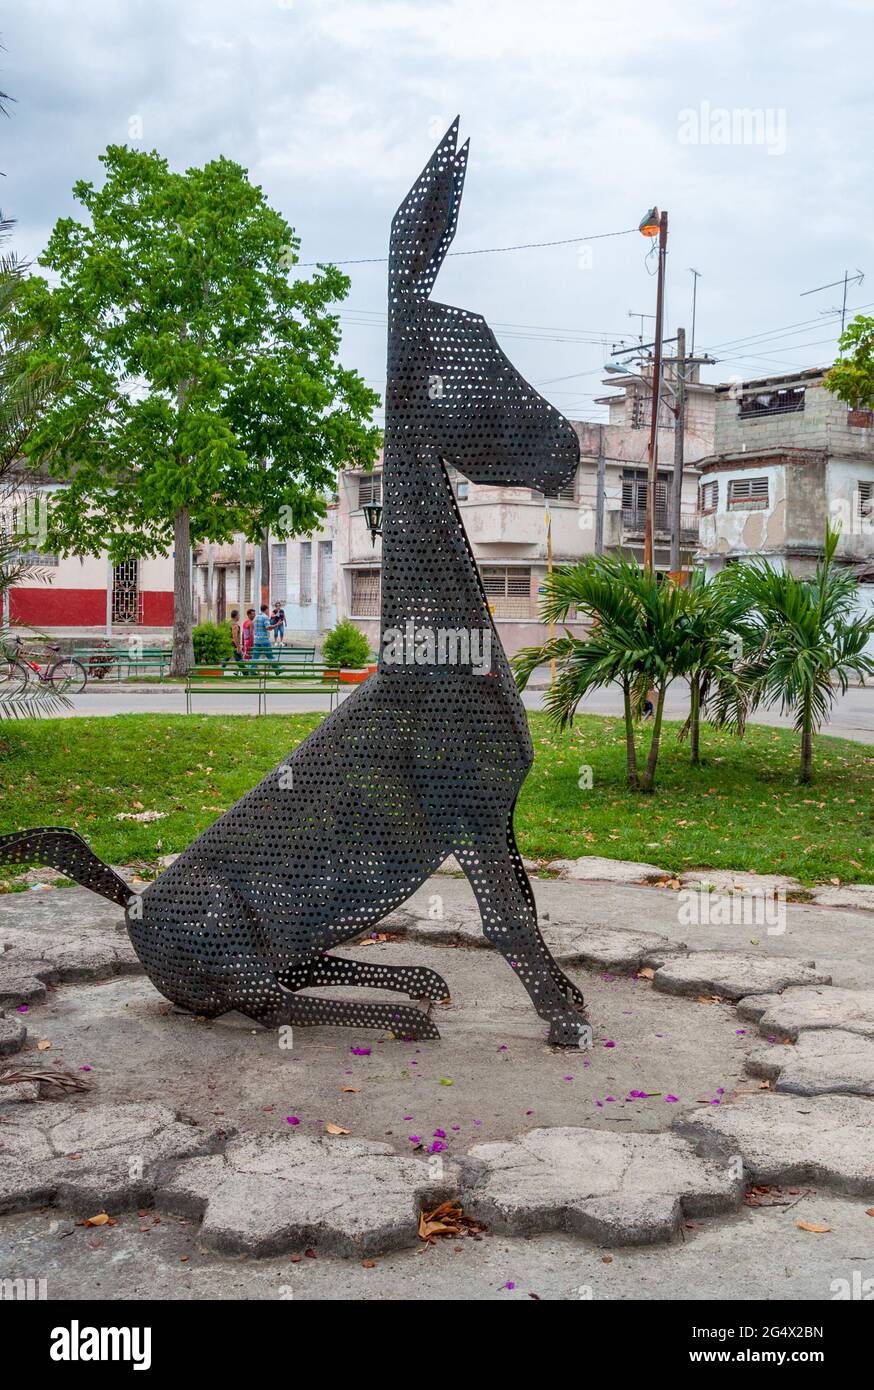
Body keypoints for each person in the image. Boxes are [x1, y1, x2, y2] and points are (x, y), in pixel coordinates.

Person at [227, 608, 246, 673]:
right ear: (236, 616)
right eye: (239, 615)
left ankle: (219, 670)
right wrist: (238, 647)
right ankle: (246, 673)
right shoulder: (235, 625)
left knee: (225, 659)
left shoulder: (228, 623)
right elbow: (235, 637)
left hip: (228, 644)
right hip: (233, 645)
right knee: (240, 660)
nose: (239, 616)